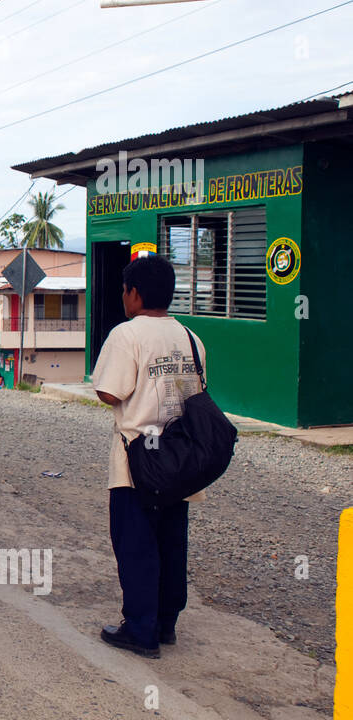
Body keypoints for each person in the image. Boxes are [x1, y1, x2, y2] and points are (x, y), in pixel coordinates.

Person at [92, 253, 206, 659]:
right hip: (180, 459)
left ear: (135, 294)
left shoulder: (127, 335)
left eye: (125, 291)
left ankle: (140, 631)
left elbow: (110, 392)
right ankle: (166, 623)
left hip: (139, 458)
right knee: (171, 542)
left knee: (136, 545)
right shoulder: (192, 338)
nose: (124, 298)